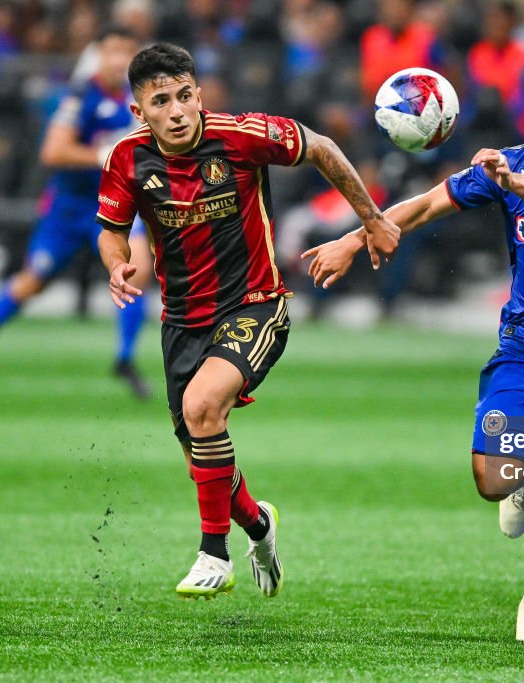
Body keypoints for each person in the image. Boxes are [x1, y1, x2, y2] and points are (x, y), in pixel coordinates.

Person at [304, 43, 524, 642]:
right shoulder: (510, 162)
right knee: (492, 481)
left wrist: (518, 182)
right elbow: (429, 202)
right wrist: (358, 239)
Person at [96, 43, 399, 599]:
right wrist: (119, 266)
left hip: (255, 305)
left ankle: (214, 552)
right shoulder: (127, 159)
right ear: (140, 113)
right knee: (201, 455)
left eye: (186, 95)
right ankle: (259, 526)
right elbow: (112, 230)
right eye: (162, 101)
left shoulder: (240, 135)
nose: (179, 110)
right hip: (183, 321)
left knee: (202, 407)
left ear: (199, 94)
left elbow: (321, 146)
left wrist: (372, 219)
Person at [0, 25, 154, 399]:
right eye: (113, 50)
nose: (120, 59)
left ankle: (125, 357)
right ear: (99, 55)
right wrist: (101, 157)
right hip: (69, 209)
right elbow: (53, 152)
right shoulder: (81, 96)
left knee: (139, 270)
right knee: (36, 279)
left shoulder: (140, 99)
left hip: (114, 205)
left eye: (127, 51)